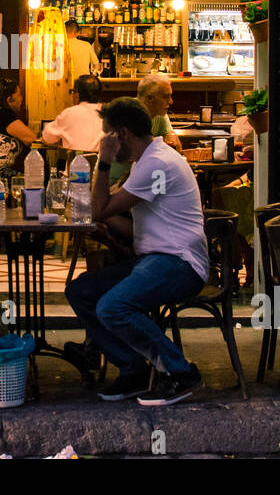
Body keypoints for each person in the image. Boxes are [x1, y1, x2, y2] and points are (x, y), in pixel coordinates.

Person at [65, 97, 207, 406]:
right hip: (155, 258)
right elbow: (133, 224)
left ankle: (181, 372)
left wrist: (102, 160)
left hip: (179, 263)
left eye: (107, 136)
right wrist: (105, 226)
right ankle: (133, 369)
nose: (105, 142)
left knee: (112, 307)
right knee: (81, 291)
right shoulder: (148, 161)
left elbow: (100, 208)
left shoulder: (156, 163)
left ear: (122, 134)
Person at [41, 74, 103, 151]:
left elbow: (46, 138)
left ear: (77, 96)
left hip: (74, 162)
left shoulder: (69, 113)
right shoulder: (109, 114)